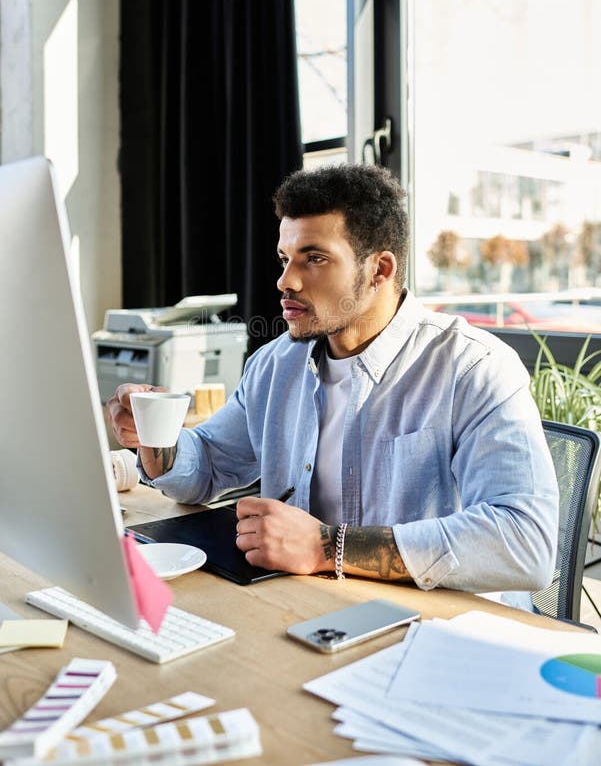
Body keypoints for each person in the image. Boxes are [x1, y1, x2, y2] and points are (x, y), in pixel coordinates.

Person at [108, 164, 558, 594]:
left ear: (380, 270)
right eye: (285, 258)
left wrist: (328, 546)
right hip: (311, 603)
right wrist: (155, 435)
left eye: (314, 259)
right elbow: (206, 466)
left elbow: (525, 542)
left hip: (440, 625)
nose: (286, 281)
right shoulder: (274, 365)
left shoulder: (474, 368)